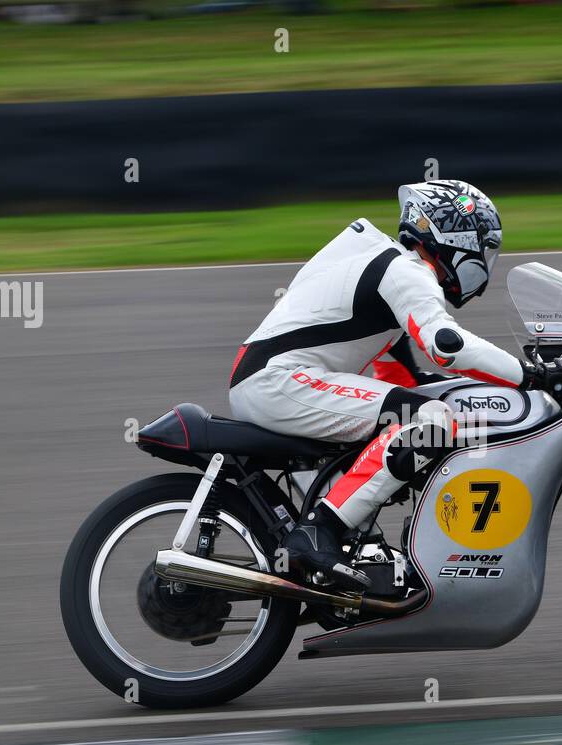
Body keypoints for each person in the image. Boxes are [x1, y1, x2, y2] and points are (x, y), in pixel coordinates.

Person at [228, 180, 544, 588]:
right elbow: (446, 345)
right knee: (432, 423)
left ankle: (345, 545)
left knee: (420, 407)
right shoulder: (407, 272)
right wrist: (531, 374)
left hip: (277, 379)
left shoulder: (384, 262)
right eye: (483, 247)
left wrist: (441, 385)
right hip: (280, 382)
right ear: (456, 237)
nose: (485, 260)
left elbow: (401, 376)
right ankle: (317, 532)